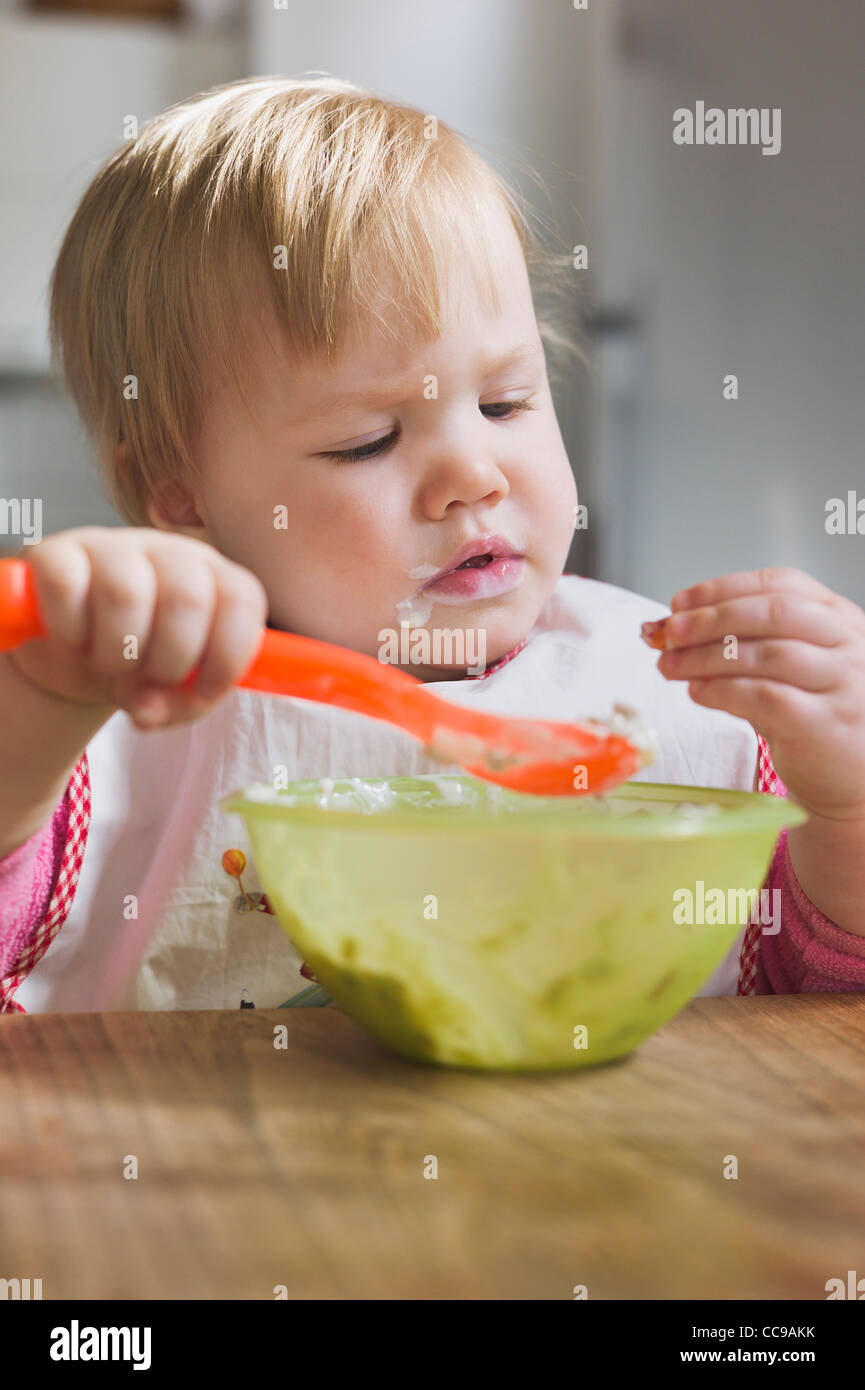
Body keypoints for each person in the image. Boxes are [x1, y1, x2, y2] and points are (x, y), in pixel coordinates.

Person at [2, 76, 864, 1016]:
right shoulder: (139, 733)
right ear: (180, 495)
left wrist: (848, 808)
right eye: (367, 441)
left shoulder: (664, 693)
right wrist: (42, 699)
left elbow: (813, 998)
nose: (474, 476)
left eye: (504, 402)